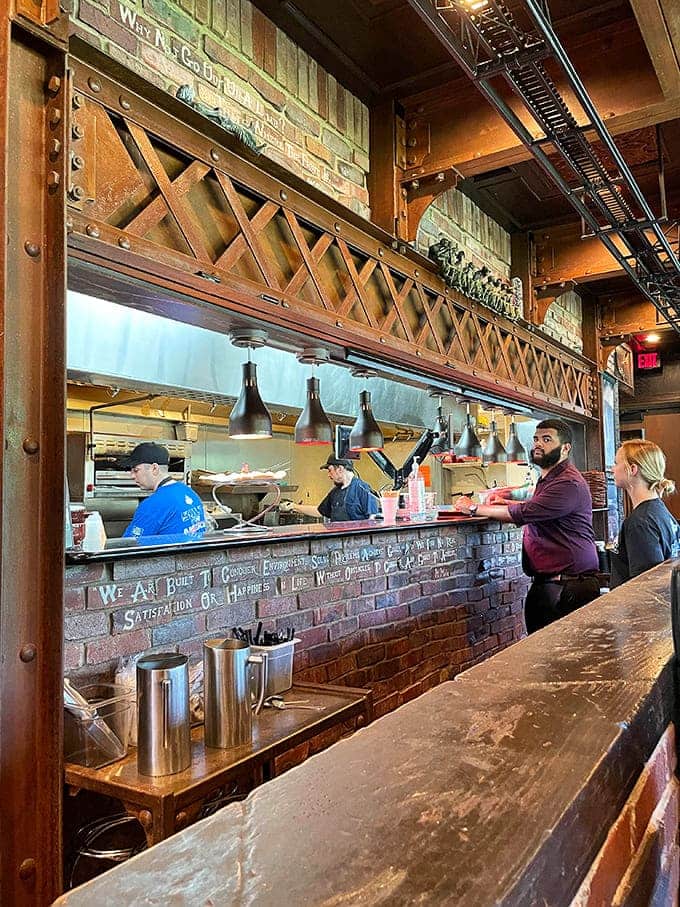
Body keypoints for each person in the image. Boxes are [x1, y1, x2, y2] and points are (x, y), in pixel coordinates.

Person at [454, 419, 600, 633]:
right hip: (557, 584)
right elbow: (535, 506)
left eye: (547, 439)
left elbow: (526, 512)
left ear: (565, 448)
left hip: (567, 587)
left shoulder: (567, 483)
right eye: (536, 439)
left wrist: (473, 508)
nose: (538, 444)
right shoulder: (550, 479)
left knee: (557, 652)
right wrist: (505, 499)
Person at [609, 440, 680, 588]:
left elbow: (646, 587)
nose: (612, 469)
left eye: (616, 463)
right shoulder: (660, 512)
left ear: (632, 469)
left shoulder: (640, 522)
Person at [123, 442, 206, 542]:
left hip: (172, 553)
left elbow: (128, 544)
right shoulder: (188, 492)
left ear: (154, 468)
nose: (132, 476)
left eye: (136, 470)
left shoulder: (153, 505)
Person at [281, 456, 379, 522]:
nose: (328, 475)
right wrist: (294, 506)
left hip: (357, 544)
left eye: (330, 470)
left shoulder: (363, 489)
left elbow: (373, 518)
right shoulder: (335, 492)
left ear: (340, 469)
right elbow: (319, 511)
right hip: (337, 541)